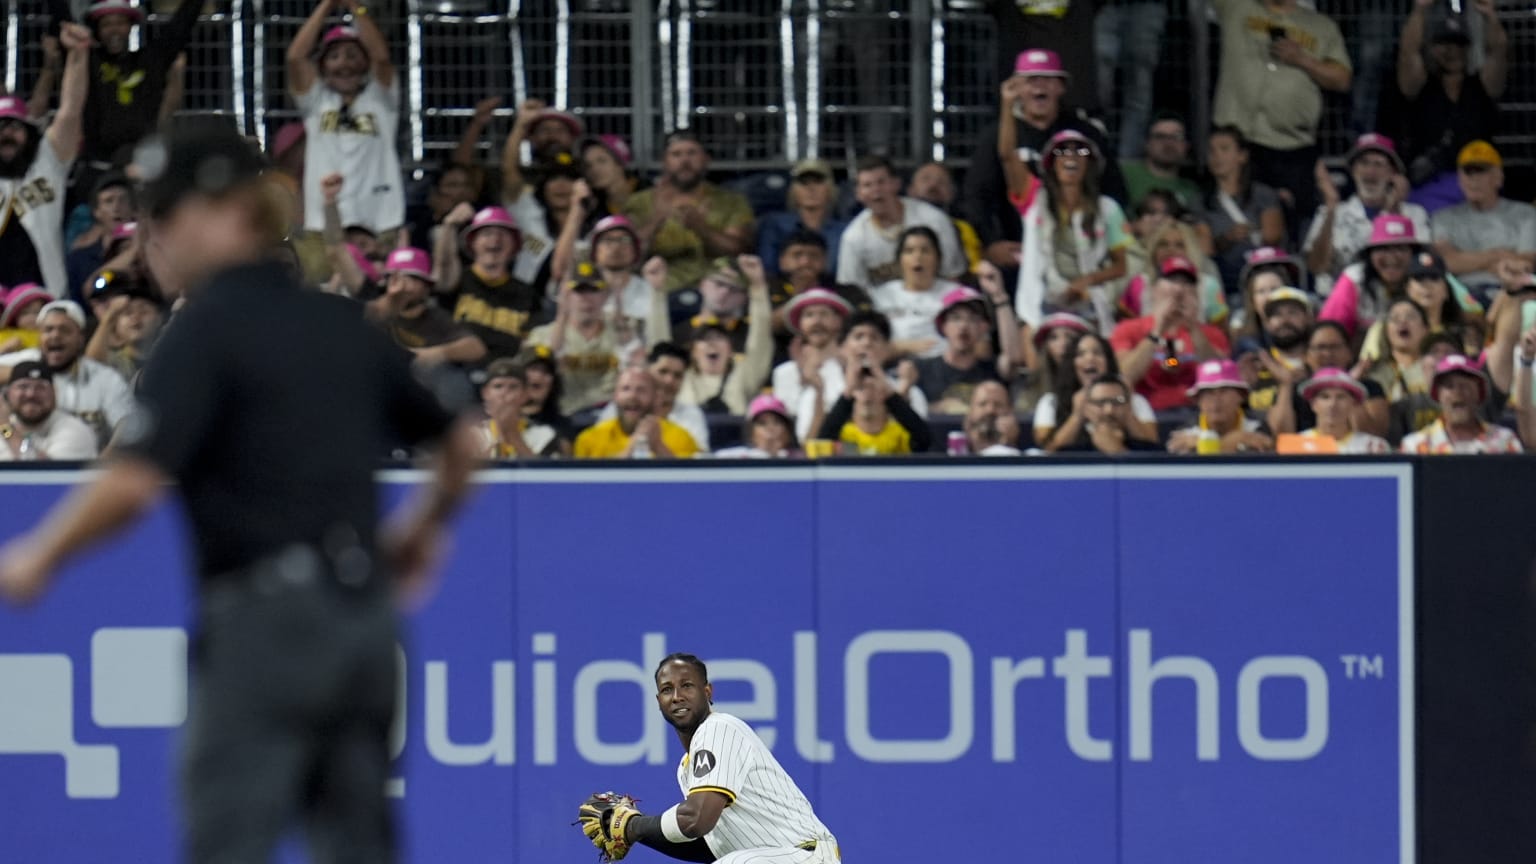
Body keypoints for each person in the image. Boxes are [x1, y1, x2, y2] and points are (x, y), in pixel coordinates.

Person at [0, 122, 483, 863]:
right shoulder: (341, 322)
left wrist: (39, 554)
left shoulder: (205, 329)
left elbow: (131, 483)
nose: (153, 239)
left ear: (231, 211)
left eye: (166, 216)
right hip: (365, 626)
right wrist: (421, 532)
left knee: (228, 845)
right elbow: (461, 444)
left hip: (267, 622)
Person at [585, 654, 839, 864]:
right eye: (666, 689)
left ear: (707, 691)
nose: (677, 696)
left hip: (806, 856)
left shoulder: (719, 729)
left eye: (687, 685)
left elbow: (696, 819)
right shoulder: (686, 768)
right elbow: (708, 845)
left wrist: (634, 826)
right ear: (658, 701)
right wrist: (635, 832)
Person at [963, 49, 1124, 271]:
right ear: (1016, 89)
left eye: (1048, 80)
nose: (1039, 87)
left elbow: (1111, 188)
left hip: (1082, 248)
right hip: (1017, 251)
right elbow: (976, 196)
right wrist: (990, 244)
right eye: (1031, 80)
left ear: (1061, 87)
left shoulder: (1085, 136)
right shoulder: (997, 136)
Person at [1210, 0, 1351, 242]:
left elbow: (1342, 79)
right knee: (1236, 225)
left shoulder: (1321, 26)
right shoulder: (1237, 7)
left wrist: (1302, 59)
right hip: (1239, 144)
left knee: (1291, 229)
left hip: (1292, 147)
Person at [287, 1, 404, 237]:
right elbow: (295, 57)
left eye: (353, 55)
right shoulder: (316, 101)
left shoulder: (381, 99)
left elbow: (381, 57)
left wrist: (355, 6)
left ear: (365, 64)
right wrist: (327, 4)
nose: (344, 64)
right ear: (322, 67)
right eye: (334, 56)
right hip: (324, 222)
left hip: (379, 222)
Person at [69, 0, 203, 197]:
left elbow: (181, 25)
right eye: (106, 24)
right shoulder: (88, 62)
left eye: (120, 23)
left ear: (130, 26)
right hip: (97, 173)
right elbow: (61, 21)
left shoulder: (150, 61)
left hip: (144, 171)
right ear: (97, 29)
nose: (114, 30)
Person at [0, 25, 90, 299]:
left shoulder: (48, 161)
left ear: (29, 134)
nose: (7, 134)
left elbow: (70, 110)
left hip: (45, 300)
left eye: (16, 128)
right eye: (1, 127)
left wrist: (77, 54)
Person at [1012, 129, 1131, 328]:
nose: (1071, 156)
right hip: (1042, 304)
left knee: (1168, 361)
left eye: (1081, 152)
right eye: (1062, 151)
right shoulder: (1035, 203)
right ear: (1051, 163)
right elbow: (1008, 156)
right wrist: (1007, 104)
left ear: (1089, 164)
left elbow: (1121, 267)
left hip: (1090, 305)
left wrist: (1086, 280)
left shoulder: (1108, 208)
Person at [1395, 1, 1507, 209]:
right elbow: (1408, 52)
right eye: (1443, 44)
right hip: (1428, 185)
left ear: (1468, 49)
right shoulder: (1420, 86)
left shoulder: (1482, 86)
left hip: (1478, 183)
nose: (1451, 50)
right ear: (1431, 48)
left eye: (1458, 44)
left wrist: (1490, 16)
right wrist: (1419, 10)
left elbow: (1498, 51)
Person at [624, 130, 755, 292]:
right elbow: (625, 255)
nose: (685, 161)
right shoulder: (639, 203)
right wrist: (656, 220)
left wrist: (702, 229)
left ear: (706, 159)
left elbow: (739, 251)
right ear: (664, 161)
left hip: (718, 287)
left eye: (692, 153)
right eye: (676, 154)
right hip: (659, 287)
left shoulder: (732, 201)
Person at [0, 300, 135, 448]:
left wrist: (102, 464)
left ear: (80, 338)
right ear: (39, 337)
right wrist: (15, 374)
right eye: (48, 330)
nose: (55, 336)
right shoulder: (24, 362)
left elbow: (126, 426)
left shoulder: (106, 378)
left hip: (87, 463)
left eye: (65, 330)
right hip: (20, 465)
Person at [1305, 133, 1429, 292]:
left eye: (1378, 164)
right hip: (1336, 301)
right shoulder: (1328, 212)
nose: (1370, 172)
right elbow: (1316, 267)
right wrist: (1331, 211)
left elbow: (1419, 264)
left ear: (1393, 173)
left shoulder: (1414, 214)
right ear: (1353, 170)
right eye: (1363, 163)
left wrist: (1392, 213)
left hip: (1396, 299)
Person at [1110, 257, 1231, 410]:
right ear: (1154, 289)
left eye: (1186, 283)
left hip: (1198, 412)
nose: (1179, 289)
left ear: (1196, 293)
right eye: (1172, 280)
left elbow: (1221, 379)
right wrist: (1157, 330)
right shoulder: (1128, 329)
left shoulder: (1212, 334)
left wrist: (1193, 328)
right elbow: (1124, 376)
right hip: (1145, 415)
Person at [836, 155, 966, 290]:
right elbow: (852, 290)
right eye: (867, 185)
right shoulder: (853, 236)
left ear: (896, 184)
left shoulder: (934, 220)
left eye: (881, 182)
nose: (876, 190)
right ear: (859, 194)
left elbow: (952, 277)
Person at [1429, 140, 1536, 297]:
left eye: (1481, 171)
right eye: (1468, 172)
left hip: (1510, 292)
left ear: (1498, 177)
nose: (1474, 180)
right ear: (1460, 179)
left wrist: (1465, 259)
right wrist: (1498, 255)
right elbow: (1447, 262)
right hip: (1461, 295)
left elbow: (1527, 262)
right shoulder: (1442, 218)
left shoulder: (1525, 214)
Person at [906, 271, 1017, 414]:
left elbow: (1013, 358)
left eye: (972, 319)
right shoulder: (922, 370)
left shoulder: (993, 370)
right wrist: (938, 408)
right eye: (956, 318)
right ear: (943, 326)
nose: (963, 326)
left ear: (983, 327)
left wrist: (1000, 297)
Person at [365, 247, 487, 368]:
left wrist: (423, 356)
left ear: (426, 286)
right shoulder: (376, 311)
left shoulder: (437, 318)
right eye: (396, 279)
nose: (403, 286)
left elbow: (476, 348)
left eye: (411, 279)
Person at [1035, 331, 1157, 450]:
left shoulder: (1136, 401)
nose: (1090, 358)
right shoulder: (1050, 402)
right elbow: (1047, 451)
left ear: (1108, 361)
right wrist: (1077, 416)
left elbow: (1152, 448)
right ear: (1071, 363)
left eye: (1097, 353)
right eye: (1080, 354)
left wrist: (1126, 407)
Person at [1200, 125, 1286, 292]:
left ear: (1242, 156)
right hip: (1224, 280)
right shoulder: (1201, 201)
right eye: (1212, 150)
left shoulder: (1263, 195)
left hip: (1263, 273)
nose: (1216, 156)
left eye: (1224, 149)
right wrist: (1227, 239)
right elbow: (1205, 249)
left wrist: (1252, 233)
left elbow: (1272, 238)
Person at [868, 226, 963, 359]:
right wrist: (902, 346)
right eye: (909, 251)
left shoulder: (958, 295)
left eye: (925, 251)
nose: (917, 257)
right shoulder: (880, 296)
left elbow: (981, 349)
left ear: (938, 258)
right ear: (899, 260)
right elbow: (867, 348)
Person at [1401, 354, 1520, 453]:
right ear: (1438, 395)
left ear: (1479, 394)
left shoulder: (1505, 442)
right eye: (1449, 386)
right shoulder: (1414, 446)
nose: (1457, 392)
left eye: (1465, 386)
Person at [574, 366, 701, 459]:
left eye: (641, 390)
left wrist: (658, 446)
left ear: (656, 398)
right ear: (615, 397)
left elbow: (687, 486)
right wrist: (632, 446)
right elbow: (591, 489)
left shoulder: (681, 437)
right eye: (625, 389)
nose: (632, 396)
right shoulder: (589, 440)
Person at [757, 159, 848, 280]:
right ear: (793, 190)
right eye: (803, 182)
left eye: (818, 181)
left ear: (830, 188)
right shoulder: (774, 225)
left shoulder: (844, 231)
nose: (811, 188)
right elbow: (768, 269)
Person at [1166, 359, 1275, 454]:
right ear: (1198, 400)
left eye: (1224, 391)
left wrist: (1200, 445)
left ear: (1241, 396)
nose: (1216, 400)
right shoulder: (1185, 431)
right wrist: (1232, 442)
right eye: (1208, 393)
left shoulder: (1257, 427)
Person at [0, 361, 98, 461]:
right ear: (8, 393)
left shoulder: (76, 430)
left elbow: (46, 473)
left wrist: (6, 430)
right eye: (23, 386)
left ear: (54, 393)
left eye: (40, 387)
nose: (31, 394)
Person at [1052, 373, 1164, 454]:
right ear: (1086, 407)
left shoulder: (1148, 451)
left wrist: (1117, 450)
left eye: (1117, 402)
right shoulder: (1072, 450)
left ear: (1128, 406)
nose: (1109, 410)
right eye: (1100, 403)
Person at [477, 357, 563, 458]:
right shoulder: (471, 436)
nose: (505, 393)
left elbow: (546, 472)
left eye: (513, 387)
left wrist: (514, 436)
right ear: (485, 393)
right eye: (498, 386)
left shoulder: (545, 435)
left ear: (525, 394)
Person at [1295, 366, 1392, 454]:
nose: (1332, 404)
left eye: (1341, 397)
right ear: (1313, 404)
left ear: (1353, 404)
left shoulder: (1374, 447)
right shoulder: (1295, 445)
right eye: (1325, 397)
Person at [1119, 114, 1201, 212]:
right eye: (1160, 137)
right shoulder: (1124, 173)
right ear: (1147, 143)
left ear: (1186, 146)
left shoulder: (1191, 190)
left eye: (1177, 137)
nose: (1169, 143)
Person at [713, 395, 799, 459]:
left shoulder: (802, 459)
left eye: (777, 422)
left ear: (788, 431)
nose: (770, 428)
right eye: (762, 423)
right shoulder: (733, 458)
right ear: (751, 432)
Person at [962, 380, 1023, 455]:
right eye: (983, 404)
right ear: (971, 410)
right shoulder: (955, 451)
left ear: (1009, 411)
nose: (990, 410)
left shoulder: (1026, 454)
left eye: (998, 405)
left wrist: (1008, 444)